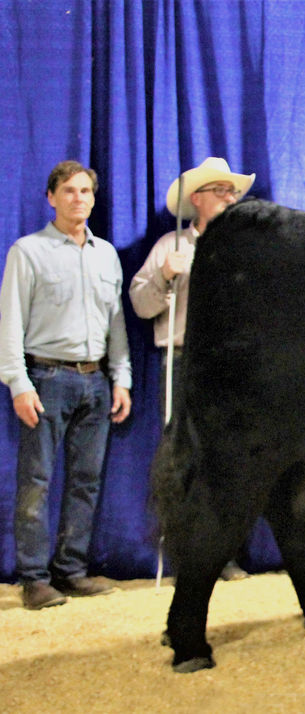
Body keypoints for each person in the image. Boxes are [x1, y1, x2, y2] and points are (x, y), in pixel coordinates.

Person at [0, 160, 132, 609]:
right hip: (46, 378)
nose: (79, 199)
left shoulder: (106, 254)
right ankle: (34, 578)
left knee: (86, 481)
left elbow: (116, 323)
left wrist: (122, 379)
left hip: (95, 380)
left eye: (86, 191)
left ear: (94, 199)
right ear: (50, 197)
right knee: (36, 479)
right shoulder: (28, 251)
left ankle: (70, 569)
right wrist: (18, 383)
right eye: (69, 191)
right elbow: (10, 322)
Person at [129, 157, 255, 581]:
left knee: (229, 460)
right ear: (197, 199)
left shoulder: (244, 249)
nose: (229, 197)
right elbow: (142, 305)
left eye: (232, 191)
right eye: (220, 190)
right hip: (184, 361)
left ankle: (226, 556)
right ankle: (185, 554)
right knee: (184, 458)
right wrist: (165, 275)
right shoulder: (172, 247)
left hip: (232, 364)